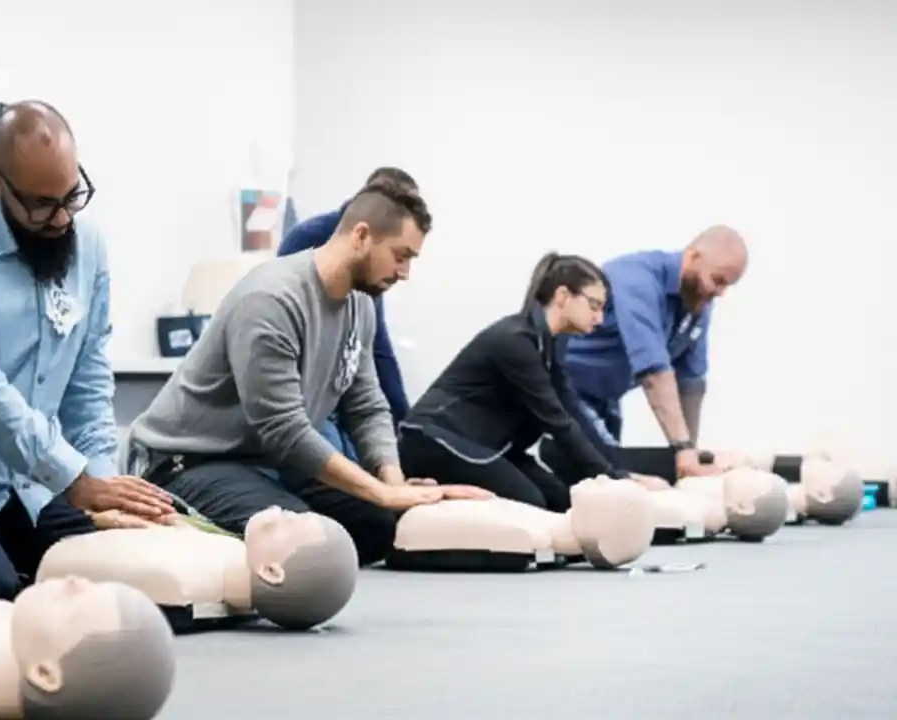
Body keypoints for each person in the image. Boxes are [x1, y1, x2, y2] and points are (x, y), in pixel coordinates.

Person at [0, 101, 176, 600]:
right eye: (43, 205)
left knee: (134, 570)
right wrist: (77, 483)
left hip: (35, 485)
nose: (62, 218)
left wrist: (105, 490)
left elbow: (87, 384)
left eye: (73, 196)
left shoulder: (89, 248)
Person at [127, 182, 491, 566]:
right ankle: (179, 519)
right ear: (362, 235)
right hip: (188, 464)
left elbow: (367, 406)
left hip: (266, 462)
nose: (405, 272)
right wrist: (379, 491)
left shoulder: (360, 305)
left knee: (378, 526)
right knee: (311, 545)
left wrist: (394, 485)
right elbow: (283, 429)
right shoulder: (271, 300)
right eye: (401, 256)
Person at [399, 254, 669, 513]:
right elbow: (557, 422)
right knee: (531, 504)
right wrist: (613, 480)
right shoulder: (515, 340)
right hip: (434, 439)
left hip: (487, 447)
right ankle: (432, 501)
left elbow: (572, 412)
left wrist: (617, 474)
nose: (599, 319)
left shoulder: (549, 348)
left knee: (560, 502)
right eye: (594, 306)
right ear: (562, 296)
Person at [541, 226, 749, 482]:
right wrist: (681, 450)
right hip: (567, 389)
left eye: (728, 286)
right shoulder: (637, 279)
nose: (720, 292)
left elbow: (691, 383)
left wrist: (689, 454)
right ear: (693, 257)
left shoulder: (699, 302)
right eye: (717, 280)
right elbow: (654, 373)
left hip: (607, 398)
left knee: (612, 482)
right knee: (609, 469)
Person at [278, 167, 418, 437]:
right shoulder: (308, 238)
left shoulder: (376, 260)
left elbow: (376, 343)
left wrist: (402, 417)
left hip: (342, 392)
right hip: (301, 397)